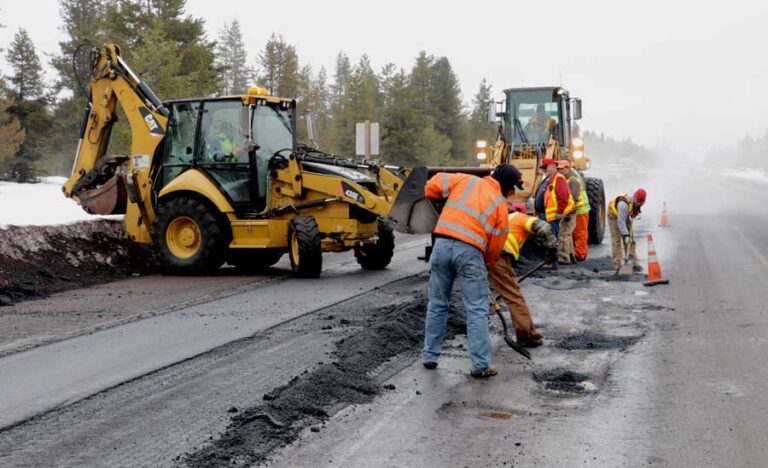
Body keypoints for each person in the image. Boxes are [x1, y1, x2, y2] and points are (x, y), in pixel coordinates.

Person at [422, 164, 523, 378]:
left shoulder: (466, 180)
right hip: (470, 253)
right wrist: (485, 265)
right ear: (507, 185)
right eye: (513, 187)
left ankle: (429, 355)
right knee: (476, 309)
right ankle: (481, 365)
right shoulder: (500, 205)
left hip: (441, 246)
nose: (513, 192)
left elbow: (430, 187)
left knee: (437, 304)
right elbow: (495, 247)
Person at [488, 202, 558, 347]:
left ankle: (526, 332)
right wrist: (552, 249)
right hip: (498, 256)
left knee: (510, 294)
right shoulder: (520, 217)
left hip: (490, 254)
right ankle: (527, 335)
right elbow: (544, 227)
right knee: (514, 297)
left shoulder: (504, 220)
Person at [534, 158, 573, 243]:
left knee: (553, 240)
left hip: (552, 217)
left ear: (553, 167)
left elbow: (563, 197)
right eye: (543, 168)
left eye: (545, 167)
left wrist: (559, 213)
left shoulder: (559, 178)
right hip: (545, 215)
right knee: (546, 240)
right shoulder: (547, 179)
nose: (544, 170)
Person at [608, 189, 646, 272]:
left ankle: (634, 264)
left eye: (641, 203)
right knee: (616, 241)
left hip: (624, 215)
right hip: (613, 216)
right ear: (635, 199)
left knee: (630, 239)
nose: (640, 204)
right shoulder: (623, 205)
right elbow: (620, 222)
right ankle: (617, 265)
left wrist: (635, 212)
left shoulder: (636, 201)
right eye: (638, 202)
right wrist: (626, 235)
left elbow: (633, 208)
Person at [555, 160, 581, 264]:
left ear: (568, 168)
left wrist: (568, 213)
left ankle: (564, 258)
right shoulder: (565, 180)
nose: (560, 171)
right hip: (567, 211)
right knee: (567, 234)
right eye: (558, 169)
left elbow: (573, 199)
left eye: (562, 169)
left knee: (564, 234)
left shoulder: (572, 181)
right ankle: (570, 255)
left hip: (570, 212)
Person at [571, 167, 591, 261]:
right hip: (580, 208)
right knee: (578, 232)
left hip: (580, 209)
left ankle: (580, 254)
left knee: (580, 233)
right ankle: (578, 252)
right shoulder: (574, 173)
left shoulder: (572, 176)